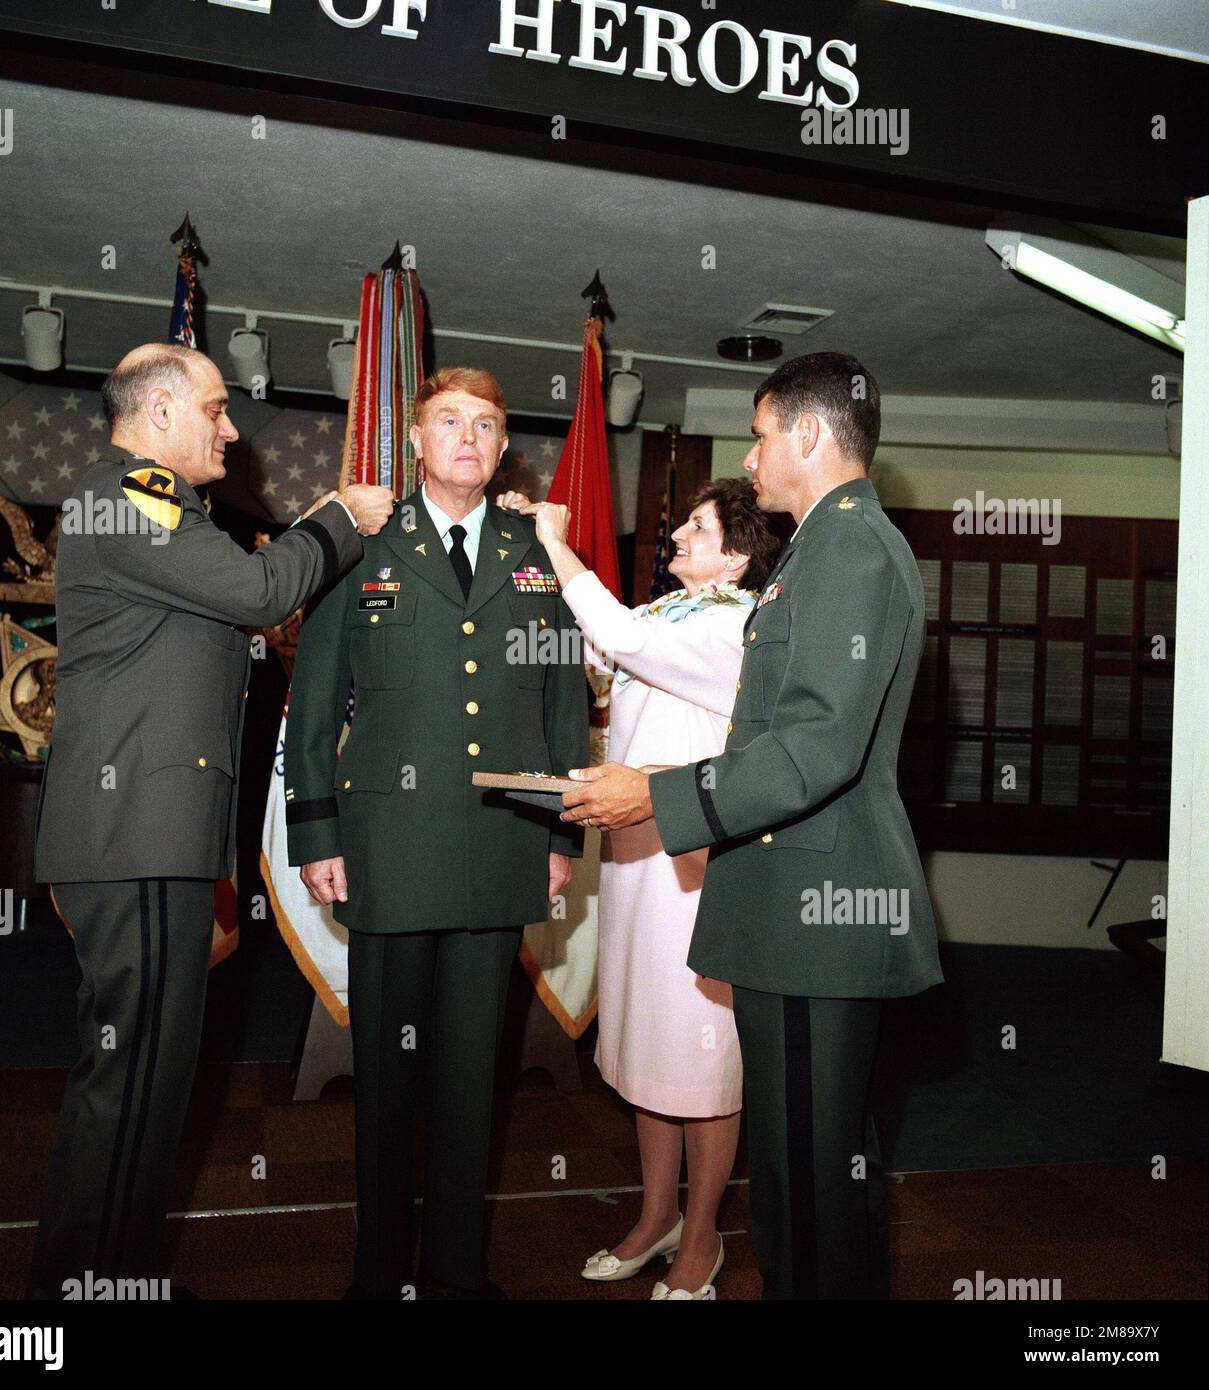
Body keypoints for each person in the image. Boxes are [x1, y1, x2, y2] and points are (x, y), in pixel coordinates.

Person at [560, 352, 943, 1299]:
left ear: (809, 434)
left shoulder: (848, 547)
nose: (753, 451)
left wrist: (656, 796)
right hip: (795, 903)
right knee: (802, 1174)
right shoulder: (824, 544)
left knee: (809, 1184)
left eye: (763, 432)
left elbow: (813, 746)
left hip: (815, 911)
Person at [28, 342, 392, 1299]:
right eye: (216, 409)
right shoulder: (129, 495)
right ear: (157, 414)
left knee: (140, 1078)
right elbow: (258, 593)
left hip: (146, 832)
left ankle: (106, 1276)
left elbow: (213, 629)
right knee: (135, 1084)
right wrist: (340, 519)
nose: (231, 430)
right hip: (138, 834)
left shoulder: (148, 506)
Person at [285, 367, 588, 1299]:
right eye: (447, 421)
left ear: (501, 449)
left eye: (485, 424)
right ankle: (377, 1275)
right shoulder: (362, 544)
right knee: (384, 1082)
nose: (467, 436)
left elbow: (561, 703)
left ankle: (458, 1272)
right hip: (385, 847)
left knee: (470, 1084)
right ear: (416, 443)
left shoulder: (533, 551)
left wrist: (561, 837)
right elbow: (312, 705)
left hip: (502, 843)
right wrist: (315, 832)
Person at [508, 480, 779, 1299]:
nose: (675, 539)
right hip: (632, 850)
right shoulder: (667, 616)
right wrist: (522, 550)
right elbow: (589, 649)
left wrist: (559, 542)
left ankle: (702, 1238)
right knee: (642, 1047)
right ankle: (655, 1214)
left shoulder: (736, 623)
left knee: (699, 1055)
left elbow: (614, 634)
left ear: (736, 554)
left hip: (692, 863)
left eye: (697, 529)